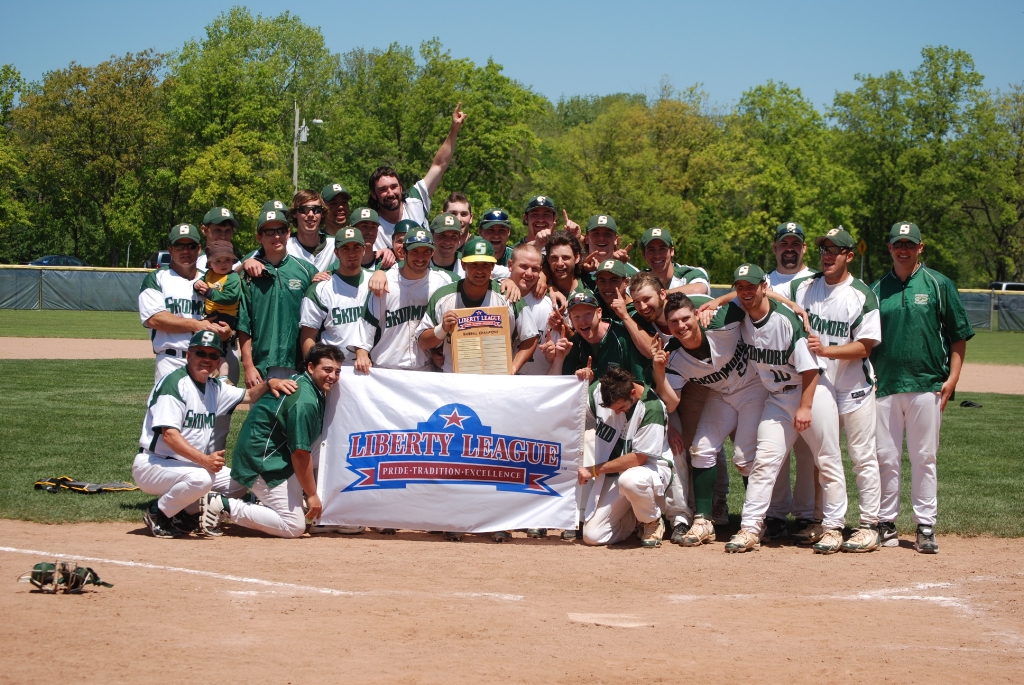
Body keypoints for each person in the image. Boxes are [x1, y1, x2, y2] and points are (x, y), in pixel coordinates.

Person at [721, 264, 847, 554]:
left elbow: (811, 368)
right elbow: (726, 301)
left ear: (765, 287)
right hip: (777, 398)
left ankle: (833, 527)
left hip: (812, 393)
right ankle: (751, 527)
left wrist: (804, 407)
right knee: (765, 461)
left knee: (827, 460)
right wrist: (717, 300)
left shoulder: (785, 320)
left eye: (751, 285)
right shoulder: (741, 315)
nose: (746, 291)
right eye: (740, 286)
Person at [870, 221, 973, 553]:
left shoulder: (939, 284)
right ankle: (886, 522)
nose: (903, 249)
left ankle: (925, 524)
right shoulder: (874, 290)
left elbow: (958, 335)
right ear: (889, 248)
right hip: (884, 385)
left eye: (909, 244)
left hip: (927, 384)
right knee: (885, 457)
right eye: (898, 244)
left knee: (924, 457)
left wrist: (952, 379)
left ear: (920, 247)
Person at [134, 330, 296, 538]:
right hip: (155, 463)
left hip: (188, 465)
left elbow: (247, 395)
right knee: (202, 478)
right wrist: (204, 460)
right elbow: (169, 436)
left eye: (213, 355)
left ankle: (185, 512)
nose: (207, 360)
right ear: (188, 355)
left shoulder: (213, 387)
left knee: (240, 479)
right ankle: (158, 513)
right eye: (201, 353)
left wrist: (270, 382)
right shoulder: (175, 385)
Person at [789, 227, 883, 552]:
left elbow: (866, 346)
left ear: (849, 256)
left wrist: (826, 351)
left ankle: (870, 525)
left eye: (835, 250)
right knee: (822, 456)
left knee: (861, 456)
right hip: (822, 384)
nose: (827, 255)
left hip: (854, 386)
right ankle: (823, 521)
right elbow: (771, 296)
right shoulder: (806, 287)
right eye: (823, 249)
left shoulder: (860, 295)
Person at [653, 293, 767, 545]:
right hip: (722, 394)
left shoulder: (718, 322)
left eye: (685, 318)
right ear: (668, 327)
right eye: (673, 322)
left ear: (695, 314)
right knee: (701, 450)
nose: (681, 326)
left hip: (753, 387)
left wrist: (717, 301)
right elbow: (672, 403)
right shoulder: (672, 354)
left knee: (744, 456)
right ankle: (704, 520)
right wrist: (659, 373)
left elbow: (747, 293)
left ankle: (756, 521)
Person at [199, 344, 343, 538]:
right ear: (310, 367)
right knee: (294, 525)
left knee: (332, 447)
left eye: (337, 371)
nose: (332, 376)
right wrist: (311, 494)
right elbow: (300, 453)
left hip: (273, 450)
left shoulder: (308, 385)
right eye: (327, 370)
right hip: (262, 458)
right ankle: (222, 504)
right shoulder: (304, 401)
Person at [577, 366, 672, 547]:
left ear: (633, 392)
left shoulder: (652, 407)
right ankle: (633, 519)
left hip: (649, 471)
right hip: (614, 473)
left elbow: (639, 458)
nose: (617, 412)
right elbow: (575, 412)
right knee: (593, 536)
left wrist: (595, 470)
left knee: (630, 480)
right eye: (613, 409)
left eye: (621, 407)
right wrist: (580, 383)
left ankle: (651, 520)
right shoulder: (599, 390)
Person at [418, 236, 538, 376]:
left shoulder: (508, 295)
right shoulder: (443, 297)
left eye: (485, 264)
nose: (480, 270)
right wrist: (442, 329)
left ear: (493, 266)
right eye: (474, 264)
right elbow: (422, 342)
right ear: (463, 265)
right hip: (455, 381)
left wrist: (513, 367)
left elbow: (531, 337)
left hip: (496, 380)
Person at [139, 223, 229, 384]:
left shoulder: (212, 280)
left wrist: (228, 332)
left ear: (199, 249)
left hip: (207, 362)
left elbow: (227, 312)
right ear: (171, 249)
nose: (185, 251)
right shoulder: (157, 278)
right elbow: (154, 318)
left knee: (204, 409)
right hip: (170, 360)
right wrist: (196, 325)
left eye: (191, 246)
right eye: (179, 246)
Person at [368, 103, 467, 250]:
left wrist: (454, 129)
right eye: (383, 189)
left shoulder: (416, 200)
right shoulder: (372, 226)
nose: (390, 193)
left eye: (394, 187)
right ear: (374, 195)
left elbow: (439, 165)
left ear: (401, 187)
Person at [237, 208, 318, 387]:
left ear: (288, 233)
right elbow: (244, 324)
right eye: (269, 232)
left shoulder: (306, 269)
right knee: (263, 415)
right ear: (259, 237)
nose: (276, 237)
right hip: (262, 366)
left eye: (281, 230)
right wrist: (249, 365)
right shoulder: (250, 274)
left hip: (299, 363)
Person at [362, 229, 455, 371]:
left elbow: (475, 280)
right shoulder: (385, 282)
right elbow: (367, 324)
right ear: (404, 253)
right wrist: (362, 353)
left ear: (432, 253)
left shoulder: (442, 281)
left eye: (426, 252)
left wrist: (501, 282)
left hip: (424, 368)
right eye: (415, 251)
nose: (420, 257)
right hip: (386, 369)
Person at [299, 227, 373, 366]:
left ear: (364, 250)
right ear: (336, 253)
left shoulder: (376, 281)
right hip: (335, 371)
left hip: (373, 369)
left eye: (356, 247)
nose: (351, 253)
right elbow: (308, 337)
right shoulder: (320, 289)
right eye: (345, 248)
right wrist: (314, 370)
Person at [547, 290, 649, 386]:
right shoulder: (574, 343)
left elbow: (641, 384)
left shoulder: (623, 336)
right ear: (570, 319)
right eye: (576, 317)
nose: (583, 321)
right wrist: (559, 359)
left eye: (588, 314)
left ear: (599, 312)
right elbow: (553, 387)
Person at [192, 240, 241, 379]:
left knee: (220, 349)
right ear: (210, 264)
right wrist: (197, 284)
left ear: (232, 261)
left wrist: (209, 292)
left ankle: (223, 377)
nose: (223, 264)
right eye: (217, 261)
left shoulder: (232, 277)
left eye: (227, 260)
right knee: (210, 346)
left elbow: (231, 297)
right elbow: (199, 284)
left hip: (226, 317)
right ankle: (213, 372)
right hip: (212, 315)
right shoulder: (209, 275)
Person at [510, 243, 555, 376]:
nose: (529, 273)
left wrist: (553, 354)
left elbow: (557, 356)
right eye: (523, 266)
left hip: (535, 387)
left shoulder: (549, 306)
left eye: (535, 269)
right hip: (499, 384)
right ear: (510, 265)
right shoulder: (494, 296)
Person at [640, 227, 710, 296]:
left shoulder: (689, 274)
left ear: (672, 251)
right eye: (651, 250)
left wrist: (658, 296)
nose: (657, 255)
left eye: (662, 249)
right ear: (643, 255)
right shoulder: (640, 279)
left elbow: (698, 289)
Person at [197, 207, 241, 272]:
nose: (223, 236)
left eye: (227, 231)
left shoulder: (237, 264)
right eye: (217, 230)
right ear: (204, 230)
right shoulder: (193, 263)